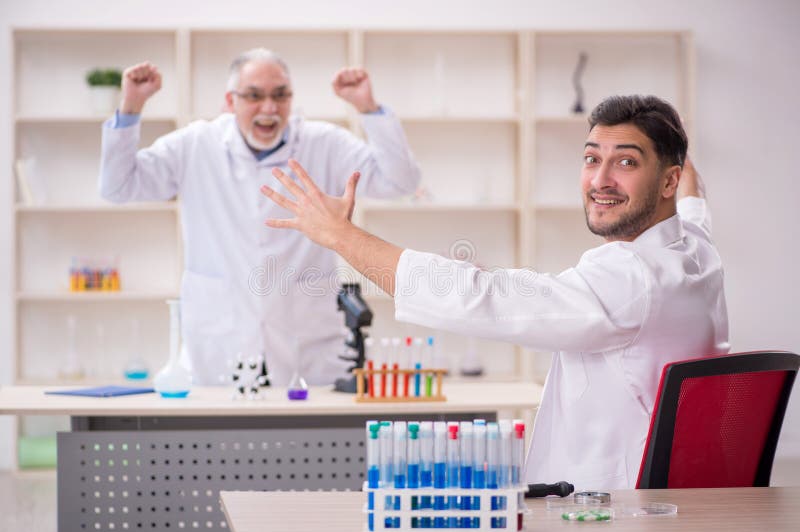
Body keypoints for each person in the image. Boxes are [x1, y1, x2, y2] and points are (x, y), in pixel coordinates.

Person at [259, 95, 730, 489]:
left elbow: (480, 298)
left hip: (602, 508)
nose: (600, 179)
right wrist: (679, 156)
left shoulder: (629, 278)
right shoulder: (696, 250)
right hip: (672, 499)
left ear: (665, 179)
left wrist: (341, 236)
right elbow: (692, 203)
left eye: (626, 161)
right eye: (592, 158)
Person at [99, 49, 421, 386]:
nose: (269, 108)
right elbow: (117, 187)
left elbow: (401, 181)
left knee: (310, 433)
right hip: (219, 338)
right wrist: (131, 109)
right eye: (254, 96)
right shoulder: (195, 144)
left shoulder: (323, 143)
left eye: (280, 96)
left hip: (306, 342)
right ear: (230, 100)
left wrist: (368, 108)